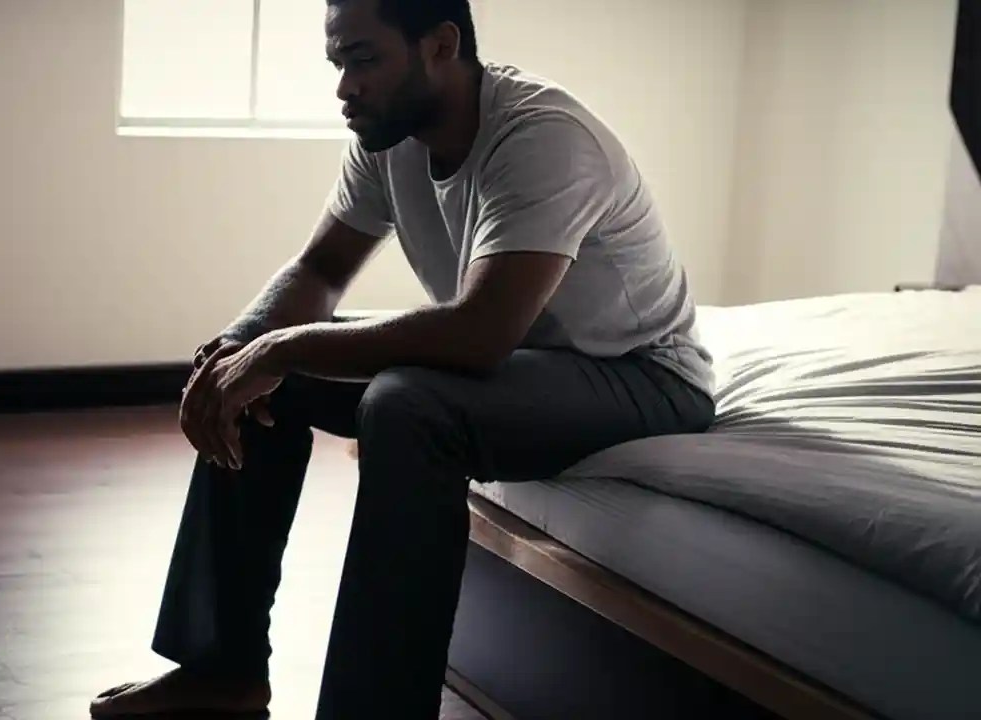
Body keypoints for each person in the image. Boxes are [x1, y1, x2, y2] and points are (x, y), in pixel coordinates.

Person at [91, 0, 715, 717]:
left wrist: (281, 345)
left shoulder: (544, 137)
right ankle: (222, 671)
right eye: (338, 63)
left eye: (364, 59)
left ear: (441, 45)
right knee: (265, 375)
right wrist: (242, 347)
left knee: (406, 404)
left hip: (641, 376)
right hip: (526, 365)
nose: (344, 87)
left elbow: (480, 334)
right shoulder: (387, 136)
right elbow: (322, 269)